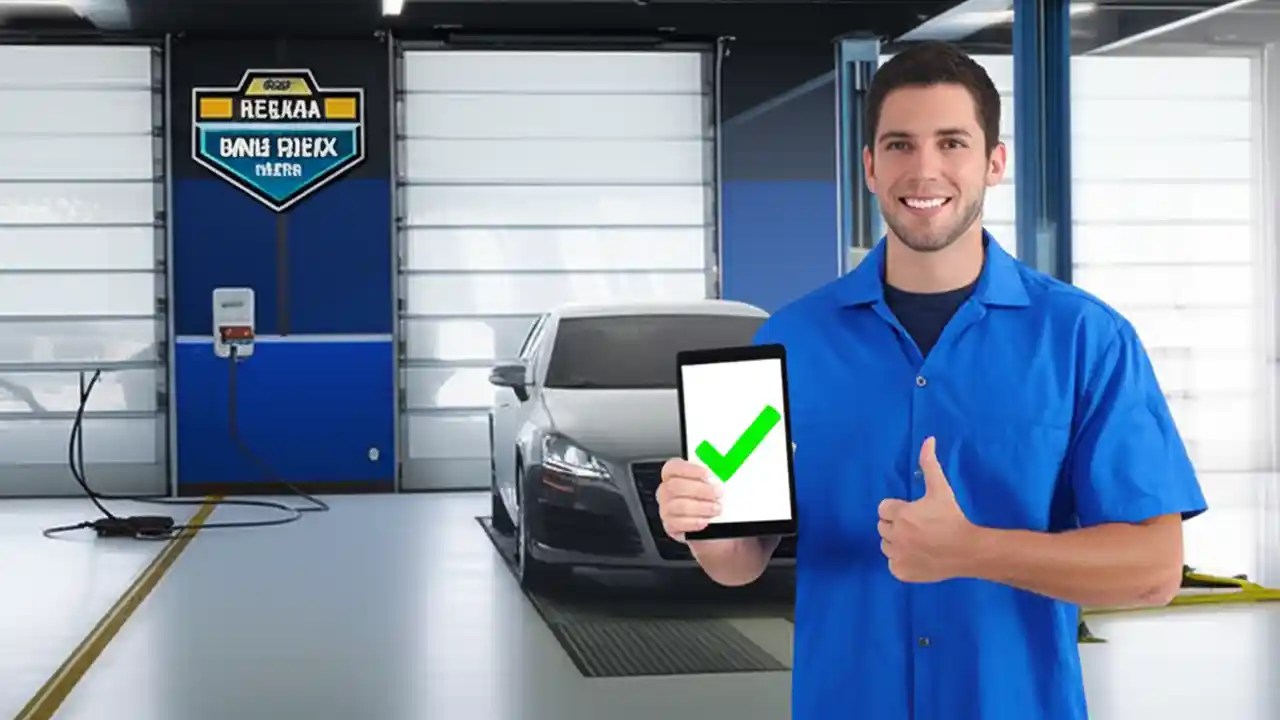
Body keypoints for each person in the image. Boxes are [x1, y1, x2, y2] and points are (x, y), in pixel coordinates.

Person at [656, 41, 1207, 720]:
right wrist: (701, 523)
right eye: (898, 145)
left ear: (993, 162)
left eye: (952, 143)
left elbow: (1154, 570)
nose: (925, 169)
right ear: (869, 166)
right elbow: (737, 562)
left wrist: (974, 550)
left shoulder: (1085, 340)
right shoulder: (787, 341)